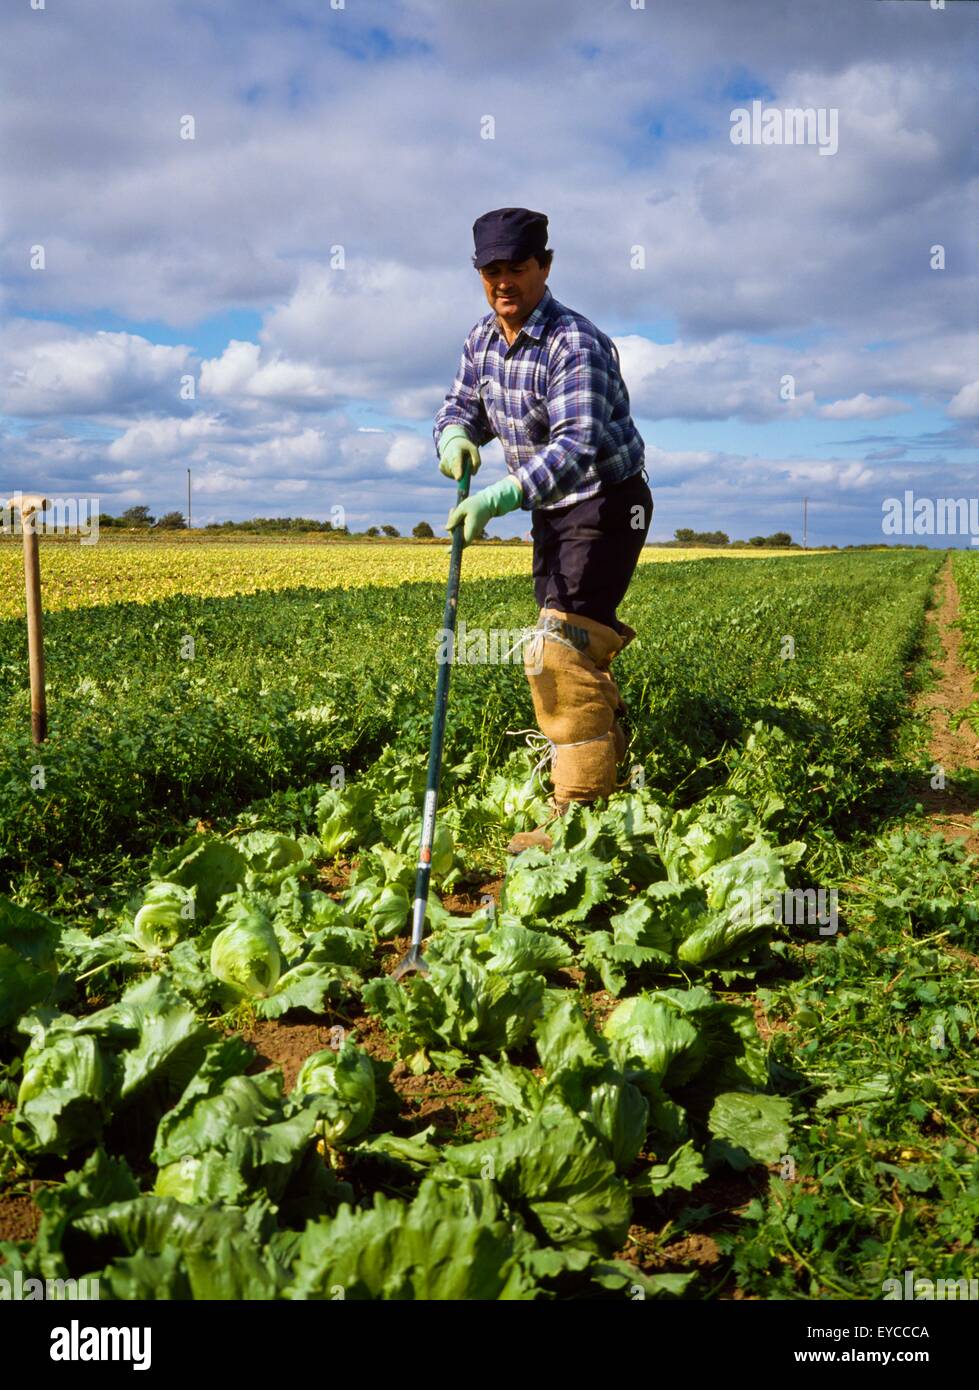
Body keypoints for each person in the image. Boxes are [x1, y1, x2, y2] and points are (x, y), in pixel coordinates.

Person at [433, 206, 652, 847]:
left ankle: (579, 811)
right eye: (491, 270)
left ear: (544, 267)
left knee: (558, 649)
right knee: (570, 639)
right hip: (553, 511)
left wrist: (499, 495)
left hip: (607, 500)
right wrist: (452, 435)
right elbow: (460, 404)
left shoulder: (572, 342)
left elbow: (579, 444)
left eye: (517, 268)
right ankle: (612, 769)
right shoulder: (480, 339)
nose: (504, 282)